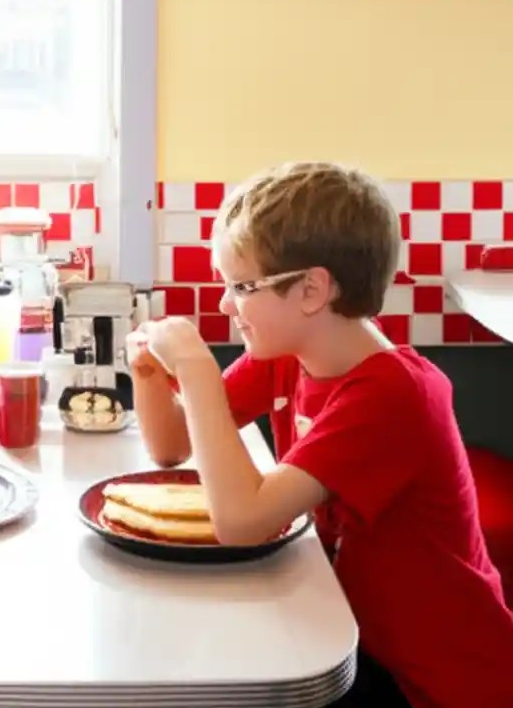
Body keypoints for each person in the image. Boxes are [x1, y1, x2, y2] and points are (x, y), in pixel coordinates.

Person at [127, 161, 513, 707]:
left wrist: (195, 370)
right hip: (355, 640)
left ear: (311, 290)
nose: (224, 305)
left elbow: (242, 520)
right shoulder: (290, 355)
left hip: (439, 680)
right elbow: (171, 445)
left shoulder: (393, 395)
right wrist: (146, 371)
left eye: (241, 286)